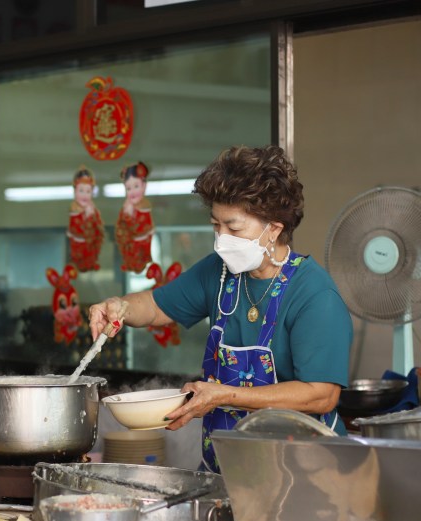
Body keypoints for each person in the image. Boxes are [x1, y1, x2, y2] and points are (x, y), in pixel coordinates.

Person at [89, 145, 353, 473]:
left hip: (306, 474)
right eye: (216, 226)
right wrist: (121, 306)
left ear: (274, 227)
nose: (221, 239)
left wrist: (223, 395)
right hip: (229, 471)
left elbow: (320, 395)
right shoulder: (220, 272)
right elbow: (156, 306)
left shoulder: (314, 294)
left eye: (234, 228)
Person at [114, 161, 155, 273]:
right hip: (129, 245)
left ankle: (138, 263)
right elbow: (120, 227)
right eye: (128, 188)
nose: (132, 192)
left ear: (144, 186)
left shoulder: (145, 207)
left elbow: (143, 227)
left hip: (141, 244)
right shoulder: (126, 208)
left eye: (136, 186)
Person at [67, 166, 104, 272]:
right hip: (80, 244)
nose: (84, 195)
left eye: (88, 191)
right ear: (75, 191)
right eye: (81, 190)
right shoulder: (74, 209)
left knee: (91, 255)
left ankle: (91, 263)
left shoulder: (92, 208)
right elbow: (77, 229)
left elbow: (98, 225)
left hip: (92, 244)